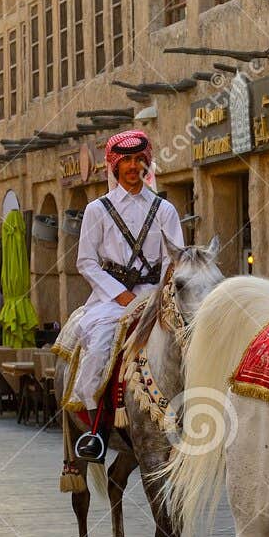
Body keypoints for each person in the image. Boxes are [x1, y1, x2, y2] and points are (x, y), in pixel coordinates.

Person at [68, 130, 184, 462]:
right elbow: (86, 262)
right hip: (110, 300)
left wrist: (159, 295)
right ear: (115, 167)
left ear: (146, 164)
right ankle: (96, 431)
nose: (133, 167)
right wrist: (119, 295)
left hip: (154, 296)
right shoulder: (97, 210)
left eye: (138, 160)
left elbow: (172, 259)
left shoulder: (165, 209)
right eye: (127, 161)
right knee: (101, 344)